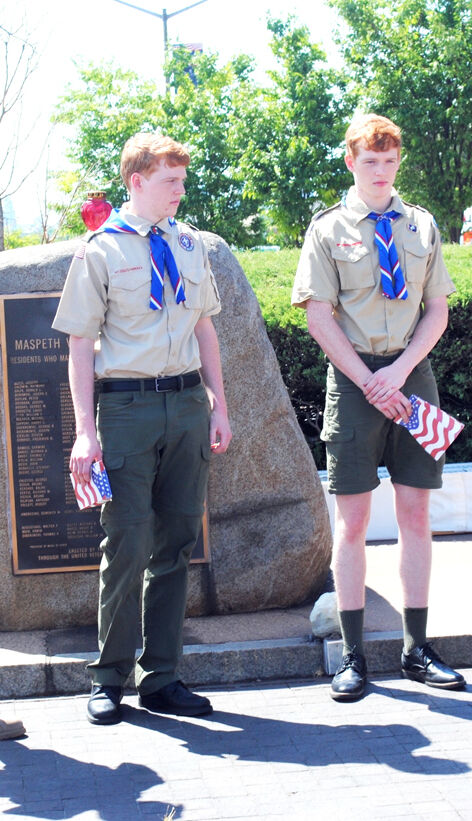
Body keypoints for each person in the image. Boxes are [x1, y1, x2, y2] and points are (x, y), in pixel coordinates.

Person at [52, 133, 232, 725]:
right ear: (137, 181)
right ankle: (109, 680)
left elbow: (205, 330)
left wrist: (220, 407)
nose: (181, 190)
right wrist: (85, 431)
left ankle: (163, 678)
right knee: (126, 543)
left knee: (176, 544)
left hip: (186, 406)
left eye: (182, 180)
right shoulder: (99, 251)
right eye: (169, 181)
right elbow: (81, 346)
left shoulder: (188, 243)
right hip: (125, 411)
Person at [292, 114, 464, 702]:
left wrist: (397, 373)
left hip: (411, 377)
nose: (382, 173)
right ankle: (354, 655)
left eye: (390, 162)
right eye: (371, 162)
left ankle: (417, 648)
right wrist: (369, 380)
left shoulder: (421, 225)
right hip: (355, 382)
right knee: (354, 523)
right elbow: (318, 316)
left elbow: (437, 310)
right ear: (351, 162)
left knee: (416, 515)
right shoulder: (327, 229)